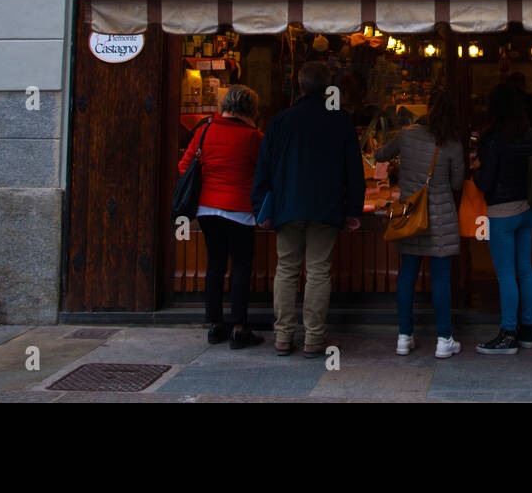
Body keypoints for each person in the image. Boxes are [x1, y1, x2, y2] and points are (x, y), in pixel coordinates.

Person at [252, 61, 365, 358]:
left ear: (299, 86)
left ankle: (283, 336)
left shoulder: (279, 121)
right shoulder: (340, 121)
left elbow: (263, 168)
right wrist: (354, 209)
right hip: (325, 206)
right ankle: (314, 338)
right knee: (318, 271)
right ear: (329, 87)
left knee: (286, 270)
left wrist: (259, 208)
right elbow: (354, 170)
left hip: (287, 205)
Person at [374, 88, 466, 359]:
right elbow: (457, 183)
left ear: (428, 107)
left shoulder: (407, 134)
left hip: (411, 215)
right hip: (441, 219)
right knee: (441, 280)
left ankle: (404, 336)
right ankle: (443, 339)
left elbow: (381, 155)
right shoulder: (452, 143)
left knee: (407, 276)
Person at [179, 84, 265, 349]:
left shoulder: (204, 131)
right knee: (241, 266)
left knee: (215, 264)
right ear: (251, 109)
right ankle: (239, 327)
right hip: (240, 210)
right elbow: (263, 174)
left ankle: (215, 324)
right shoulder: (254, 138)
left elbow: (184, 166)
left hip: (207, 209)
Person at [474, 83, 532, 355]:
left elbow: (486, 181)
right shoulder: (530, 134)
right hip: (527, 210)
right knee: (525, 269)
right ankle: (527, 331)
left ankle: (508, 334)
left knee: (506, 275)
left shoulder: (493, 138)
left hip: (501, 213)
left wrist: (476, 172)